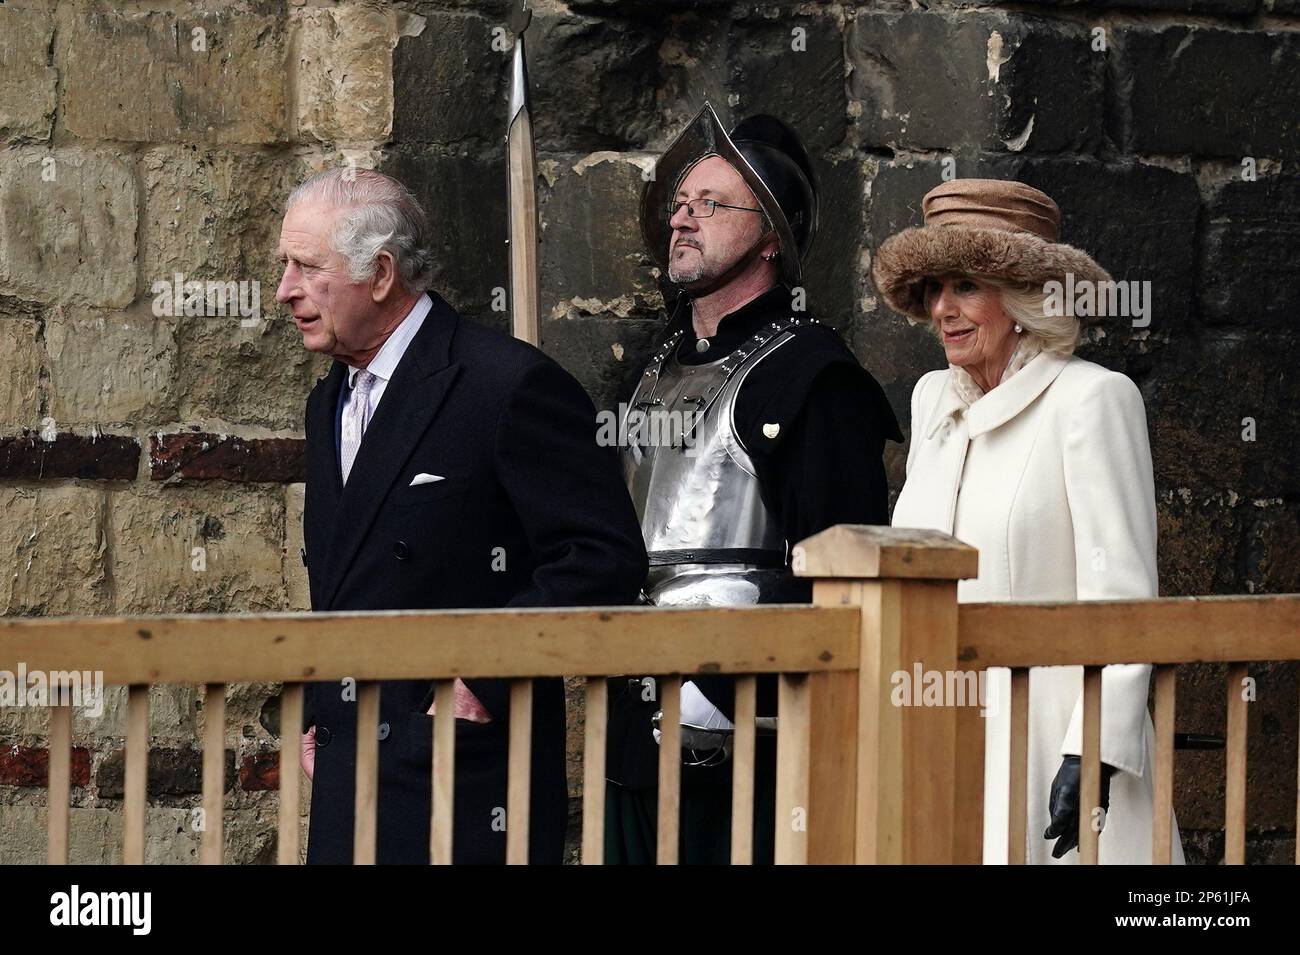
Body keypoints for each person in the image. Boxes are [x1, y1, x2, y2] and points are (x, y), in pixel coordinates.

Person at [279, 168, 647, 864]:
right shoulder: (326, 401)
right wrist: (321, 707)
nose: (285, 289)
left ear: (381, 273)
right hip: (346, 764)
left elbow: (603, 557)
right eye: (284, 266)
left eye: (306, 267)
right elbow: (345, 585)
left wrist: (482, 676)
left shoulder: (506, 383)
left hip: (466, 773)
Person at [605, 104, 902, 864]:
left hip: (754, 738)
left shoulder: (815, 378)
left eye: (711, 204)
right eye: (680, 203)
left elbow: (843, 583)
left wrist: (735, 700)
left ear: (772, 235)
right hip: (632, 723)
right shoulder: (649, 371)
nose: (683, 219)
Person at [875, 177, 1184, 865]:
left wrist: (1094, 752)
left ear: (1022, 298)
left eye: (965, 286)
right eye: (933, 289)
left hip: (1052, 736)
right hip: (940, 732)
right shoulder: (933, 401)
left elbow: (1127, 598)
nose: (943, 310)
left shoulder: (1093, 400)